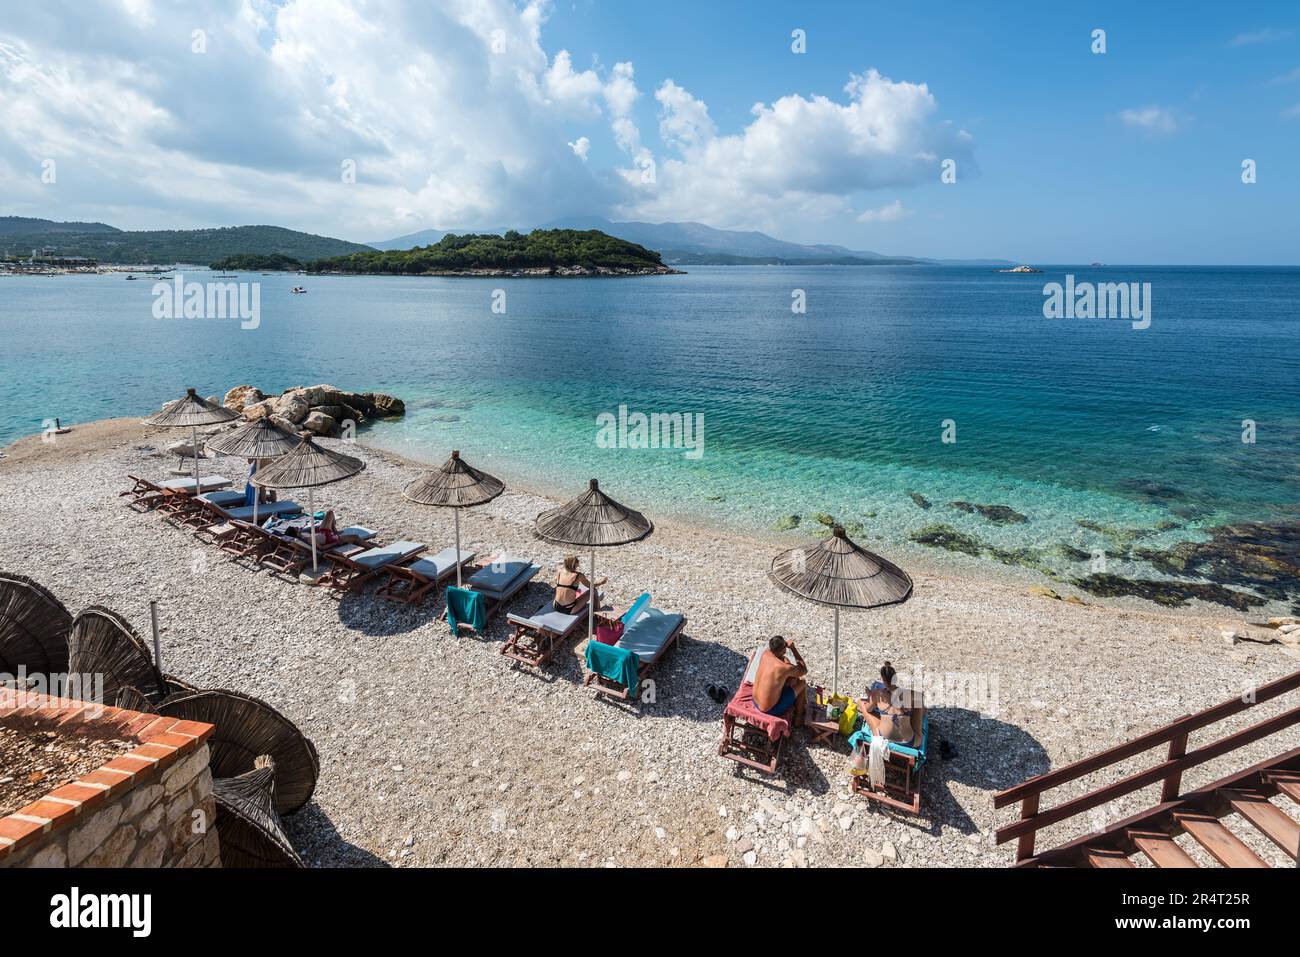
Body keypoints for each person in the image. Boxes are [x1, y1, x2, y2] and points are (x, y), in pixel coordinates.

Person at [859, 661, 923, 746]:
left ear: (882, 679)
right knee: (917, 705)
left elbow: (868, 709)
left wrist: (870, 696)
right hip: (910, 741)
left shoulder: (878, 694)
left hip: (883, 737)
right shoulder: (912, 694)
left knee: (861, 703)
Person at [753, 635, 807, 726]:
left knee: (791, 678)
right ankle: (798, 718)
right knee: (802, 683)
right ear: (784, 650)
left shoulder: (765, 653)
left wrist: (787, 665)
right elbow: (804, 670)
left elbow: (783, 659)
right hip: (769, 709)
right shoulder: (783, 668)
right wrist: (793, 649)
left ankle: (798, 708)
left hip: (755, 701)